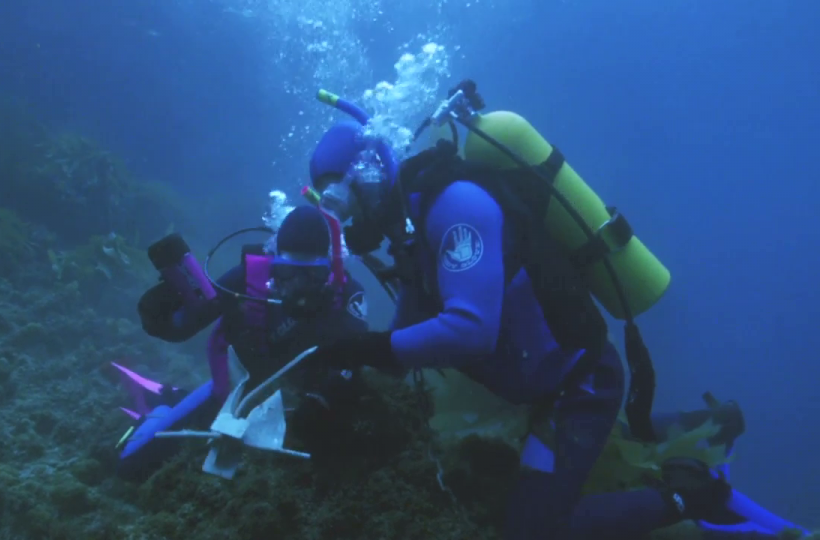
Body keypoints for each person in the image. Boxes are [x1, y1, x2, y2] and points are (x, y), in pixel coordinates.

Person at [298, 84, 773, 539]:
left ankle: (693, 497)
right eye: (328, 208)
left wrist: (370, 348)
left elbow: (470, 330)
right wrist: (344, 378)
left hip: (579, 386)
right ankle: (708, 422)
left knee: (534, 531)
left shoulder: (454, 208)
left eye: (339, 202)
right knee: (610, 441)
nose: (340, 223)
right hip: (546, 388)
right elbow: (406, 328)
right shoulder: (412, 233)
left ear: (371, 176)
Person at [120, 205, 371, 477]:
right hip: (237, 396)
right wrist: (158, 309)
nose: (299, 286)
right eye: (288, 272)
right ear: (274, 262)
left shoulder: (346, 295)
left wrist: (328, 396)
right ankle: (163, 408)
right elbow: (183, 326)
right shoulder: (249, 280)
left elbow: (357, 355)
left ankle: (177, 398)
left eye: (313, 275)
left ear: (331, 270)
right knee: (132, 464)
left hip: (309, 401)